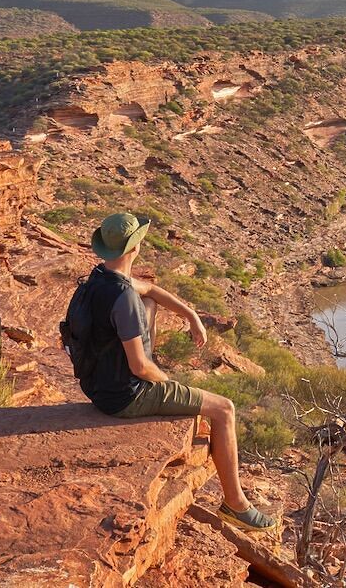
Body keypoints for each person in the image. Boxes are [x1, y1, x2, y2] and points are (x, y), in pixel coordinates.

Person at [77, 211, 277, 532]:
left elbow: (151, 291)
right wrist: (167, 384)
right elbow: (139, 366)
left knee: (150, 304)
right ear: (135, 247)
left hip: (98, 385)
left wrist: (191, 315)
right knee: (224, 409)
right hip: (125, 396)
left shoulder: (99, 279)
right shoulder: (123, 298)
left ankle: (234, 500)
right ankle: (235, 504)